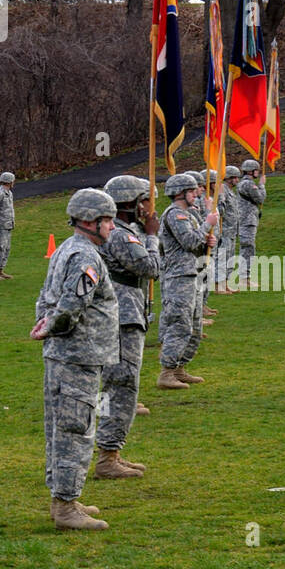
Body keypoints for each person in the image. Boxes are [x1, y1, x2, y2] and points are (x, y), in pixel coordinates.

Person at [31, 188, 120, 531]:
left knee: (61, 428)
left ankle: (63, 499)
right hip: (78, 356)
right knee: (75, 430)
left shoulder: (68, 249)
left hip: (66, 355)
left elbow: (45, 298)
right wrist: (52, 327)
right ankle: (66, 507)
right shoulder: (85, 257)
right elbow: (70, 307)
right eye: (107, 220)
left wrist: (44, 324)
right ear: (89, 221)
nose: (112, 226)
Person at [94, 176, 160, 477]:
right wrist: (152, 236)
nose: (149, 207)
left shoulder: (124, 231)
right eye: (145, 200)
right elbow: (150, 267)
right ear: (130, 203)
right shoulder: (122, 235)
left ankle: (112, 452)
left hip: (125, 313)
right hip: (122, 317)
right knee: (121, 384)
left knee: (120, 384)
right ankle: (107, 457)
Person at [157, 174, 217, 388]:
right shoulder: (175, 215)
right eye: (191, 191)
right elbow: (189, 241)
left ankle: (179, 368)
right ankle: (166, 373)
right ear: (180, 193)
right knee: (180, 325)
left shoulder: (188, 215)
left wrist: (208, 241)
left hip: (192, 274)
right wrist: (206, 225)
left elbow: (196, 243)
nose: (195, 194)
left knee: (194, 326)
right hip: (178, 277)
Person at [236, 159, 266, 287]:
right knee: (248, 248)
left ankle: (245, 277)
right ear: (250, 171)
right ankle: (244, 279)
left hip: (245, 219)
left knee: (247, 248)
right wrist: (262, 185)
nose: (258, 172)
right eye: (256, 170)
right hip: (247, 220)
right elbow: (260, 199)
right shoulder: (248, 184)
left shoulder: (243, 183)